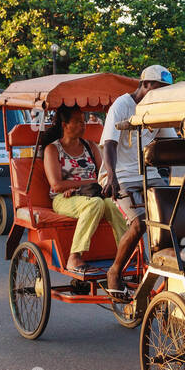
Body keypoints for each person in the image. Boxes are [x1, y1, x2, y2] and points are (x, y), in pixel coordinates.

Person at [99, 65, 185, 297]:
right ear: (145, 85)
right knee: (139, 223)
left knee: (180, 219)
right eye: (158, 88)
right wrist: (111, 175)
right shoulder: (122, 106)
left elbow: (174, 149)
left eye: (165, 90)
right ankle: (114, 271)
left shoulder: (156, 111)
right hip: (121, 176)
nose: (161, 93)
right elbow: (109, 143)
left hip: (150, 176)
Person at [43, 105, 128, 278]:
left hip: (91, 193)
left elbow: (104, 174)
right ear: (65, 125)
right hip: (64, 197)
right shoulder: (52, 149)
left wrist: (87, 186)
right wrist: (84, 185)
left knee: (113, 204)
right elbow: (57, 185)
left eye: (84, 121)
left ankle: (126, 252)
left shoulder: (91, 146)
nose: (84, 125)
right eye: (78, 122)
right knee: (95, 204)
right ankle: (74, 257)